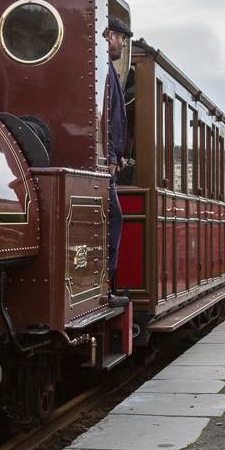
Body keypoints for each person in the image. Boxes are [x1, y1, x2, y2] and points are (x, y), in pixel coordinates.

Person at [102, 17, 131, 284]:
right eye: (122, 38)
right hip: (105, 164)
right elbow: (105, 117)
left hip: (111, 161)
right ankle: (106, 281)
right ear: (110, 35)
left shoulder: (108, 69)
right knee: (113, 217)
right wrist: (111, 157)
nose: (123, 43)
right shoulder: (102, 69)